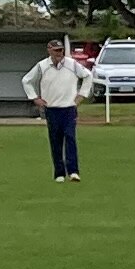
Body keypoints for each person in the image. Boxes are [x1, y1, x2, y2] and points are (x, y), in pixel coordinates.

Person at [23, 38, 89, 182]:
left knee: (70, 138)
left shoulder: (72, 64)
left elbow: (88, 76)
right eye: (56, 50)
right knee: (56, 140)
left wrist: (82, 95)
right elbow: (26, 80)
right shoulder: (42, 66)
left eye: (61, 50)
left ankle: (73, 171)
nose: (59, 53)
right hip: (52, 109)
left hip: (69, 108)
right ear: (49, 51)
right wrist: (35, 98)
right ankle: (59, 173)